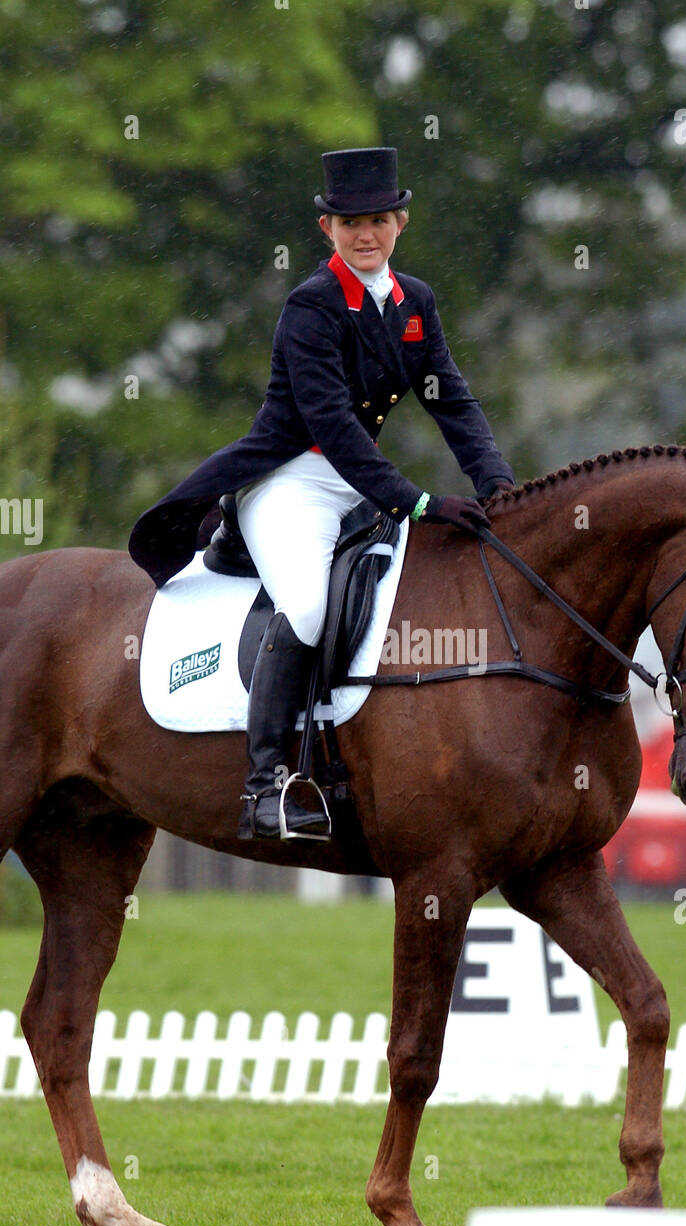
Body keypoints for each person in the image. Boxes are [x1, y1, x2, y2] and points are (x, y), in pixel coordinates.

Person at [129, 146, 515, 840]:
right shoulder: (310, 306)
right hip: (289, 481)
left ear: (400, 221)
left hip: (358, 482)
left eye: (377, 220)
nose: (364, 234)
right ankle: (267, 787)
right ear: (326, 231)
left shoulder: (414, 302)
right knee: (307, 605)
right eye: (348, 223)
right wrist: (418, 502)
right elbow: (334, 426)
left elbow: (451, 401)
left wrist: (500, 487)